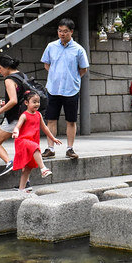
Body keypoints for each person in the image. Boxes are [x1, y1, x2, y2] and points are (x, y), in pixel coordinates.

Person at [40, 18, 89, 159]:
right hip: (53, 89)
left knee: (71, 120)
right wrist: (56, 76)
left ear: (71, 32)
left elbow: (83, 69)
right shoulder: (51, 46)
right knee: (51, 119)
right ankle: (50, 148)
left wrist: (72, 78)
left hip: (71, 90)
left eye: (65, 31)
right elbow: (46, 64)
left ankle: (70, 148)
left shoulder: (78, 49)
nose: (62, 34)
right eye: (60, 31)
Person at [10, 91, 60, 192]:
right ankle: (43, 169)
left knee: (28, 168)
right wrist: (15, 131)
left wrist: (53, 138)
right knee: (35, 148)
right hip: (23, 141)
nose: (37, 104)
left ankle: (21, 189)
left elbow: (45, 128)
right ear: (26, 103)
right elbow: (18, 126)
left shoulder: (38, 115)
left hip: (32, 142)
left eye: (38, 102)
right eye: (34, 102)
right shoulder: (24, 115)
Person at [0, 55, 25, 177]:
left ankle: (9, 162)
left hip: (14, 118)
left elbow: (13, 100)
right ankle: (25, 183)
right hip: (25, 116)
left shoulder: (9, 79)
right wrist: (5, 103)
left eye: (0, 68)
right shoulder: (22, 75)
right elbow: (21, 97)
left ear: (7, 67)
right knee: (22, 149)